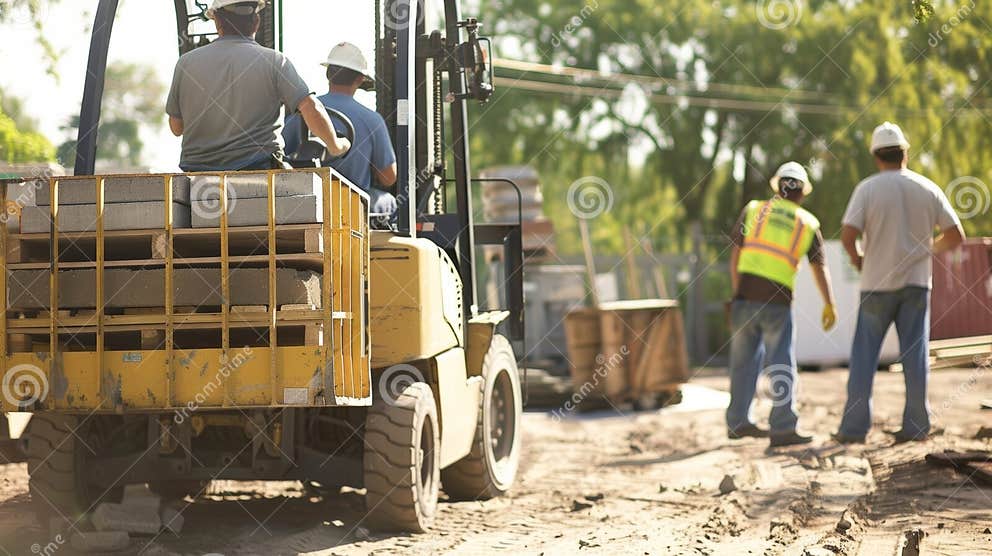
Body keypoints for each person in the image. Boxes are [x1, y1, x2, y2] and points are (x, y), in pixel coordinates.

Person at [834, 122, 965, 444]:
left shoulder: (867, 189)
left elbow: (848, 235)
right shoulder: (927, 188)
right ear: (905, 153)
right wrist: (925, 251)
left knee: (864, 358)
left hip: (876, 284)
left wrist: (859, 259)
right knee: (915, 356)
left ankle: (853, 430)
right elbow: (955, 236)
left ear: (877, 157)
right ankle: (917, 426)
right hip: (916, 285)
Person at [727, 161, 837, 448]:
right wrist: (829, 304)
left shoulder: (754, 210)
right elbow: (819, 268)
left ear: (777, 187)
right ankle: (783, 427)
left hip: (745, 297)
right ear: (802, 193)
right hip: (777, 302)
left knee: (742, 363)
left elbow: (734, 256)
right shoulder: (807, 223)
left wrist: (737, 293)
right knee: (781, 365)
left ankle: (738, 422)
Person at [166, 0, 350, 172]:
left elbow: (176, 128)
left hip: (196, 177)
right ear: (256, 21)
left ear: (217, 22)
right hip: (260, 174)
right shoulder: (275, 61)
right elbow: (310, 107)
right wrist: (335, 146)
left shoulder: (186, 64)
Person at [283, 42, 398, 227]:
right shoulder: (372, 120)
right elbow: (388, 177)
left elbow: (279, 156)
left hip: (307, 205)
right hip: (352, 208)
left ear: (328, 74)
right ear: (360, 79)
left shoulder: (303, 112)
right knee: (390, 202)